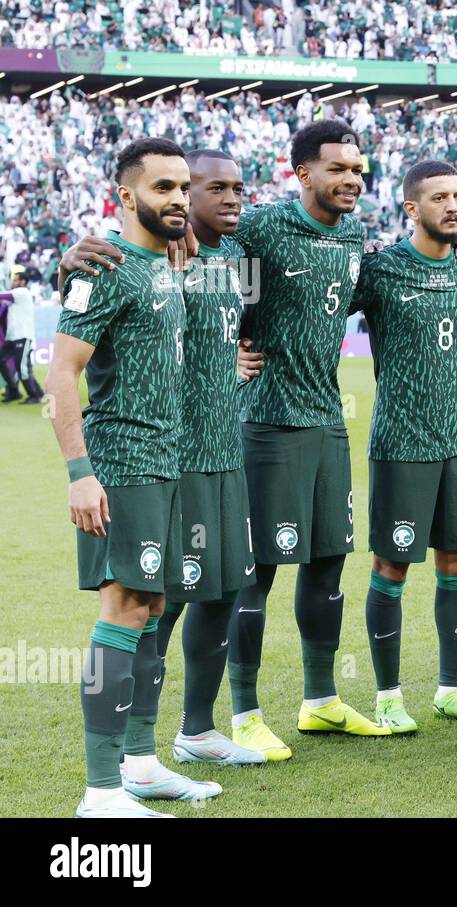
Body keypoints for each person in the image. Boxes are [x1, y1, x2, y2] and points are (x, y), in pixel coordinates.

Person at [48, 138, 221, 816]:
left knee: (152, 609)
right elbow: (62, 373)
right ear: (126, 196)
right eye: (162, 188)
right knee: (121, 610)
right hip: (121, 464)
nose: (178, 198)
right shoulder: (103, 268)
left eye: (183, 187)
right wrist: (80, 472)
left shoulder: (170, 263)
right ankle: (100, 790)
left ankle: (142, 764)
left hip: (168, 464)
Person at [227, 119, 389, 758]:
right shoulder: (261, 229)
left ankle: (320, 701)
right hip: (267, 423)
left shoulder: (352, 236)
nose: (351, 179)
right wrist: (224, 351)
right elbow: (194, 268)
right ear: (303, 174)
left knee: (328, 562)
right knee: (257, 570)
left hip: (327, 423)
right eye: (338, 169)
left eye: (357, 170)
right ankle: (242, 713)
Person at [350, 160, 457, 728]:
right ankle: (388, 697)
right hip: (400, 443)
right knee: (391, 567)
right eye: (440, 198)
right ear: (411, 208)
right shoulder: (381, 270)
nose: (454, 206)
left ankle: (450, 689)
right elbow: (313, 308)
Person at [0, 267, 45, 403]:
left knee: (22, 367)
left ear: (23, 281)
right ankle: (14, 391)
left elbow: (2, 296)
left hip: (23, 336)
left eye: (15, 280)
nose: (13, 282)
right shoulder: (16, 296)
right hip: (12, 337)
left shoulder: (22, 292)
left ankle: (35, 395)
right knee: (2, 360)